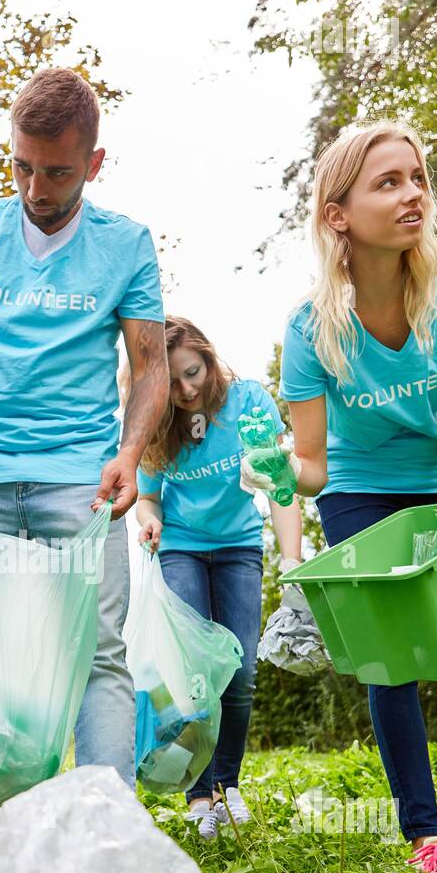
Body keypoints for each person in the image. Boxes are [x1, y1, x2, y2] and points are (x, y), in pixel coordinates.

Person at [0, 68, 169, 788]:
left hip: (81, 482)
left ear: (93, 163)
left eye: (57, 172)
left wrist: (129, 454)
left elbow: (149, 368)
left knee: (98, 653)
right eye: (22, 166)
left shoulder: (126, 245)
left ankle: (104, 820)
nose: (36, 188)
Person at [254, 119, 437, 873]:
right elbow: (312, 463)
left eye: (416, 177)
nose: (414, 193)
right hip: (356, 489)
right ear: (338, 213)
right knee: (392, 660)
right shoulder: (310, 327)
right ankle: (425, 836)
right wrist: (280, 474)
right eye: (389, 182)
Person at [130, 317, 303, 834]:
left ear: (208, 358)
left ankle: (228, 787)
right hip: (181, 548)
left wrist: (292, 562)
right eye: (173, 382)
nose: (186, 390)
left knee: (241, 675)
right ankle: (200, 796)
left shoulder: (249, 403)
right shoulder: (158, 424)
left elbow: (280, 484)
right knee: (196, 676)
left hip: (238, 549)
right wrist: (151, 520)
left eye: (193, 372)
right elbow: (146, 498)